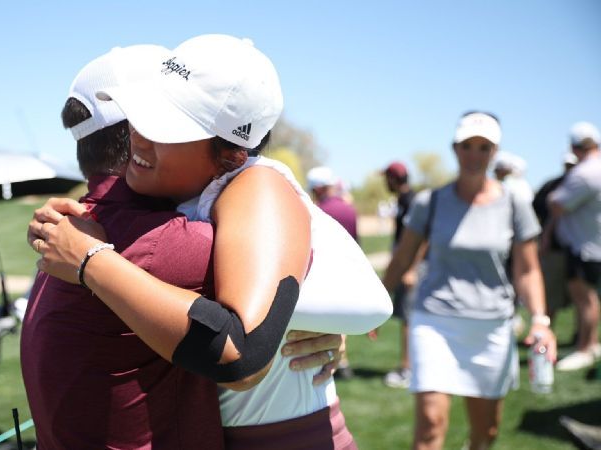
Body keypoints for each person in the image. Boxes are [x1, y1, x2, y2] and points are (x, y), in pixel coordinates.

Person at [30, 34, 392, 449]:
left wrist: (90, 259)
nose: (139, 137)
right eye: (139, 113)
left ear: (232, 155)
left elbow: (248, 352)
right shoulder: (180, 195)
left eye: (164, 127)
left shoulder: (256, 186)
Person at [382, 111, 556, 450]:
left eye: (483, 147)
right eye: (467, 146)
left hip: (492, 327)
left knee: (485, 432)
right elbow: (402, 258)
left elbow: (528, 269)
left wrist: (540, 319)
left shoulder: (515, 203)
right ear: (455, 148)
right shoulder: (430, 202)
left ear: (495, 152)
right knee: (430, 424)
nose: (474, 155)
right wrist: (378, 304)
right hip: (434, 322)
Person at [549, 121, 601, 371]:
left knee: (584, 299)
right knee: (590, 298)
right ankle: (591, 343)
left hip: (584, 246)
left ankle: (585, 348)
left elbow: (557, 204)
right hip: (592, 244)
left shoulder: (585, 172)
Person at [306, 166, 358, 380]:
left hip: (325, 271)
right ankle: (343, 362)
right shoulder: (349, 208)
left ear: (318, 188)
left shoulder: (317, 210)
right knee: (341, 319)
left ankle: (337, 362)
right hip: (348, 269)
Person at [380, 161, 421, 389]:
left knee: (409, 318)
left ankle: (407, 369)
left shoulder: (411, 200)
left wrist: (412, 269)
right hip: (405, 265)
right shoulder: (404, 199)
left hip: (411, 267)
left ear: (393, 179)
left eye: (386, 178)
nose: (385, 183)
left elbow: (422, 238)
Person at [532, 152, 578, 323]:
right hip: (555, 248)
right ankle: (546, 328)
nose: (570, 169)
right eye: (568, 165)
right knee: (550, 293)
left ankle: (580, 334)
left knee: (580, 298)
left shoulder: (584, 185)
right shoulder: (552, 185)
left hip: (580, 249)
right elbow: (536, 209)